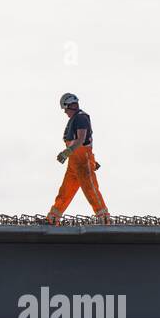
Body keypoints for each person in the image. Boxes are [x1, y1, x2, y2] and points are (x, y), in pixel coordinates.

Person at [47, 93, 110, 225]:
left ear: (70, 106)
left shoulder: (81, 118)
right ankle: (53, 218)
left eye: (65, 109)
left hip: (81, 160)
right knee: (65, 190)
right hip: (75, 161)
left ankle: (104, 218)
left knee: (90, 189)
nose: (65, 112)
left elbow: (81, 140)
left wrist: (68, 152)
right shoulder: (75, 119)